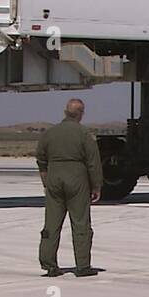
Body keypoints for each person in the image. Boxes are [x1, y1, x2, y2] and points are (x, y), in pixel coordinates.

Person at [36, 99, 103, 277]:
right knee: (80, 223)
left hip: (54, 177)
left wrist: (46, 181)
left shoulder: (49, 133)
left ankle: (49, 264)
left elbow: (41, 160)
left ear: (65, 112)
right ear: (81, 113)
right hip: (76, 178)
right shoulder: (83, 134)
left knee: (51, 222)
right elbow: (93, 162)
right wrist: (96, 186)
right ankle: (82, 266)